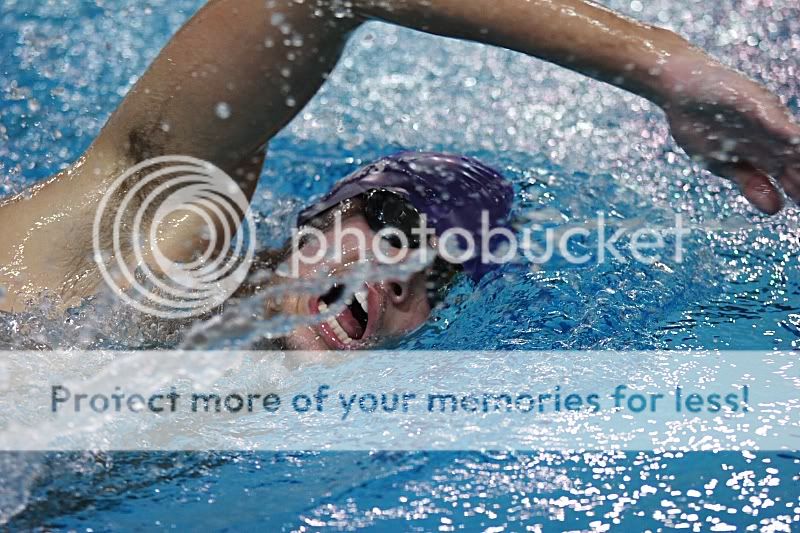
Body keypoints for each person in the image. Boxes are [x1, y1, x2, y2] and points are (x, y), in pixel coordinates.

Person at [0, 0, 798, 348]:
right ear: (305, 228)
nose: (400, 270)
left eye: (441, 280)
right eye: (389, 225)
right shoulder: (141, 243)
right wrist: (664, 67)